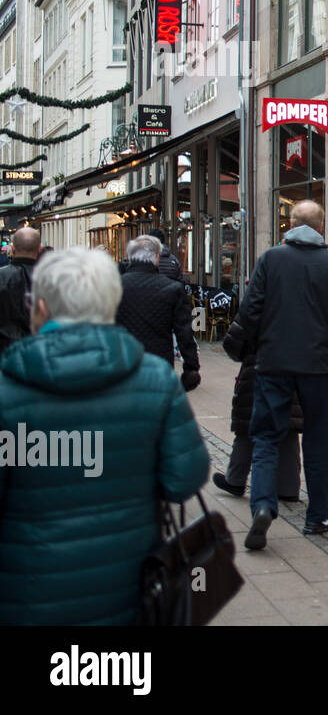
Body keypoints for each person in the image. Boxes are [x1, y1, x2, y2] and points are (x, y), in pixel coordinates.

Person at [0, 247, 209, 624]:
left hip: (27, 595)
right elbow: (185, 478)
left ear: (40, 308)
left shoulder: (8, 390)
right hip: (128, 589)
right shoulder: (155, 380)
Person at [235, 200, 328, 548]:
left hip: (274, 363)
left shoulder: (270, 259)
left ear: (289, 224)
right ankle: (318, 515)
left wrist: (260, 344)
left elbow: (250, 310)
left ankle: (262, 505)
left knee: (266, 437)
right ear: (321, 227)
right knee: (318, 440)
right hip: (319, 366)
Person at [212, 319, 303, 502]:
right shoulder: (303, 303)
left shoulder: (258, 302)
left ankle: (236, 479)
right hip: (292, 370)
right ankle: (288, 487)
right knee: (288, 428)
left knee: (247, 427)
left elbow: (233, 342)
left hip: (258, 368)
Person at [116, 235, 201, 392]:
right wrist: (191, 367)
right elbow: (184, 332)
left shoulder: (115, 287)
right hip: (159, 364)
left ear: (130, 256)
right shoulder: (172, 289)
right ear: (157, 257)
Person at [0, 227, 41, 353]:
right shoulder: (49, 279)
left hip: (5, 349)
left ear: (13, 249)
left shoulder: (2, 276)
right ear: (39, 249)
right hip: (38, 349)